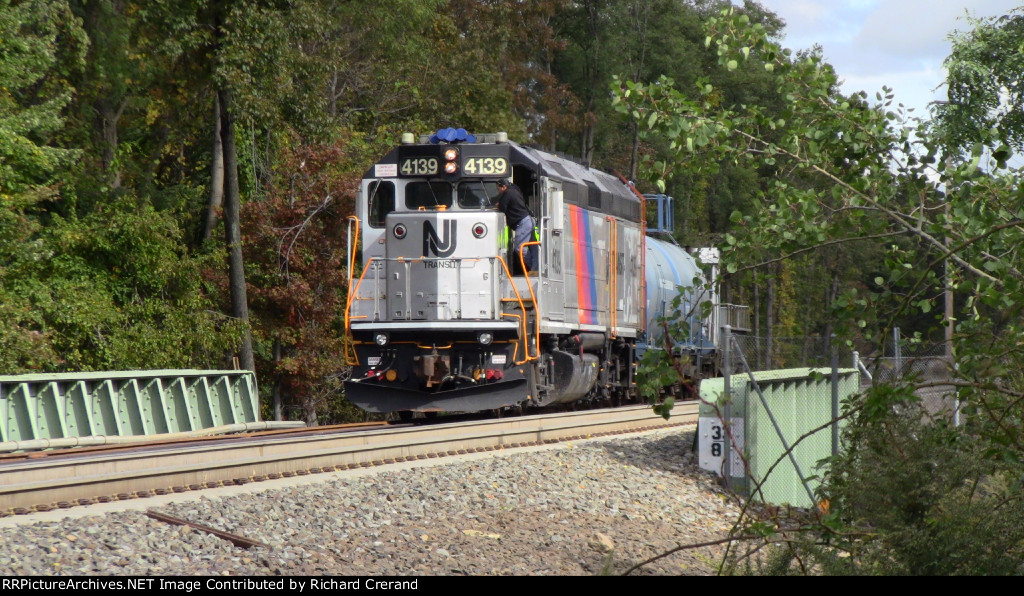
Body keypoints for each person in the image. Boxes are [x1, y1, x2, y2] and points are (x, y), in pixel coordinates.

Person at [496, 177, 537, 272]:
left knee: (519, 248)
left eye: (499, 189)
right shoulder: (515, 190)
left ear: (503, 187)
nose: (499, 192)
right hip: (528, 220)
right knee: (533, 247)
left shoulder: (507, 193)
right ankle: (536, 268)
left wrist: (498, 205)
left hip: (523, 223)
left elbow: (502, 208)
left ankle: (532, 268)